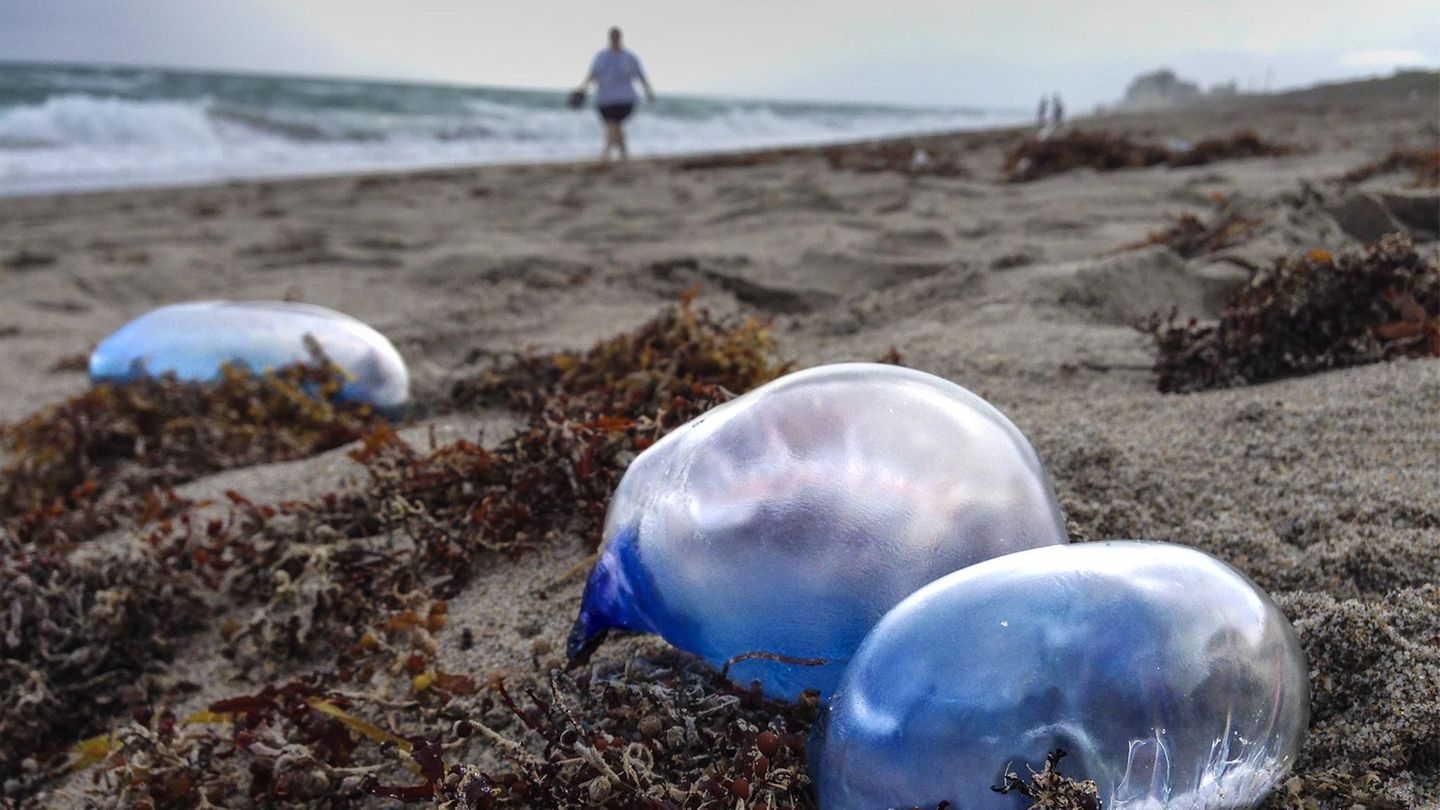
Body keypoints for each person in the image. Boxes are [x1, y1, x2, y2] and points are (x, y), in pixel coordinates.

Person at [576, 27, 655, 162]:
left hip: (624, 98)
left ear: (620, 37)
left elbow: (641, 76)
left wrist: (648, 91)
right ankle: (624, 154)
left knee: (613, 123)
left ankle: (606, 153)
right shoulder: (601, 56)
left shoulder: (629, 57)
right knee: (614, 125)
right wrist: (582, 88)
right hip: (605, 98)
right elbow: (592, 74)